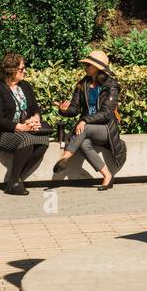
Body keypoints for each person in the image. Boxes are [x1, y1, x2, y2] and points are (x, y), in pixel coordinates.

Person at [54, 49, 126, 190]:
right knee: (84, 143)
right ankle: (107, 176)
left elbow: (106, 113)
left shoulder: (111, 86)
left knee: (83, 128)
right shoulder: (82, 84)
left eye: (88, 65)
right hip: (86, 129)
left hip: (106, 129)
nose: (85, 67)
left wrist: (85, 120)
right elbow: (75, 109)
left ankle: (65, 157)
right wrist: (64, 110)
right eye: (85, 65)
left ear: (98, 68)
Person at [0, 52, 51, 195]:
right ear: (11, 70)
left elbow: (34, 107)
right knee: (27, 140)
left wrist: (36, 117)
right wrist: (19, 127)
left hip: (23, 128)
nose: (25, 71)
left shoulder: (25, 86)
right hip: (0, 132)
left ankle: (17, 178)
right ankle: (14, 183)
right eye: (21, 69)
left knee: (43, 141)